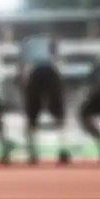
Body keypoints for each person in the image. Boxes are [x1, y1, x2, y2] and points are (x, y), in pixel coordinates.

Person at [17, 29, 70, 164]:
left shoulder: (27, 42)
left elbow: (22, 66)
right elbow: (58, 58)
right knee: (58, 115)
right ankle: (63, 150)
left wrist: (24, 81)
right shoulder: (49, 40)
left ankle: (32, 152)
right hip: (50, 72)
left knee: (32, 116)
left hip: (36, 73)